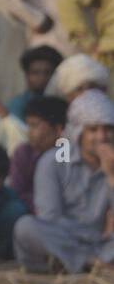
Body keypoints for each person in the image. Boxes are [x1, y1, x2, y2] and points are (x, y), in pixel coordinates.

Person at [13, 90, 114, 273]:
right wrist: (84, 237)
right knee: (25, 227)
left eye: (107, 129)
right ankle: (88, 263)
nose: (102, 137)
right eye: (93, 130)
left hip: (102, 246)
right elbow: (49, 217)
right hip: (63, 241)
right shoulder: (53, 161)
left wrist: (112, 175)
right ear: (79, 132)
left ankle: (83, 264)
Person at [10, 94, 67, 213]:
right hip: (34, 213)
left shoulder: (69, 155)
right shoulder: (24, 153)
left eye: (34, 125)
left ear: (58, 129)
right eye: (28, 125)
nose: (29, 132)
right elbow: (17, 192)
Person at [8, 46, 63, 120]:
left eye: (48, 72)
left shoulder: (62, 101)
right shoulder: (18, 105)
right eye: (35, 73)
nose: (42, 78)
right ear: (27, 75)